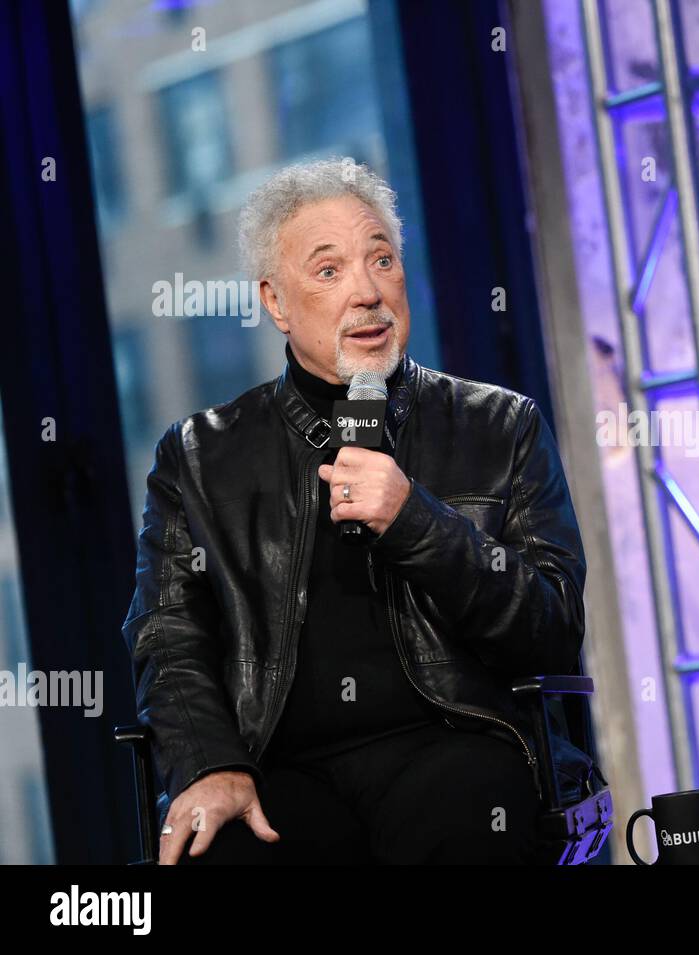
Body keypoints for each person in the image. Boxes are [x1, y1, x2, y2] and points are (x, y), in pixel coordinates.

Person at [121, 158, 595, 865]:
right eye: (329, 270)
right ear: (276, 302)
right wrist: (209, 763)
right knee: (222, 849)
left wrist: (417, 522)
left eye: (382, 259)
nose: (368, 292)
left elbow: (551, 629)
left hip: (456, 743)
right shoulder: (199, 457)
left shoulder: (500, 426)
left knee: (471, 818)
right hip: (280, 768)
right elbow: (167, 634)